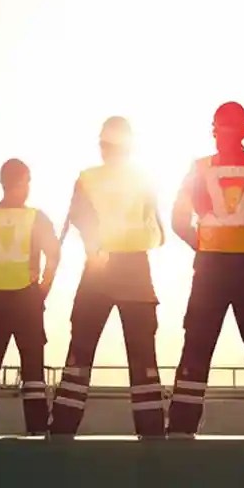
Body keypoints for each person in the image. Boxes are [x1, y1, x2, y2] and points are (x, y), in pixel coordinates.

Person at [167, 102, 244, 438]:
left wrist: (203, 244)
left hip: (210, 270)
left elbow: (178, 220)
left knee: (196, 345)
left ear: (213, 131)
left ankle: (181, 424)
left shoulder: (199, 170)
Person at [49, 117, 166, 438]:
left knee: (80, 354)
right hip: (136, 274)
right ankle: (152, 431)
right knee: (143, 360)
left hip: (98, 272)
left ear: (102, 146)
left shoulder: (88, 179)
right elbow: (158, 231)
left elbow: (79, 218)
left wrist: (96, 246)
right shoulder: (143, 179)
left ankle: (62, 429)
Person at [0, 159, 59, 435]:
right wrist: (43, 288)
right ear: (23, 182)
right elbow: (53, 255)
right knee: (32, 368)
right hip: (28, 299)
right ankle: (38, 427)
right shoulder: (36, 217)